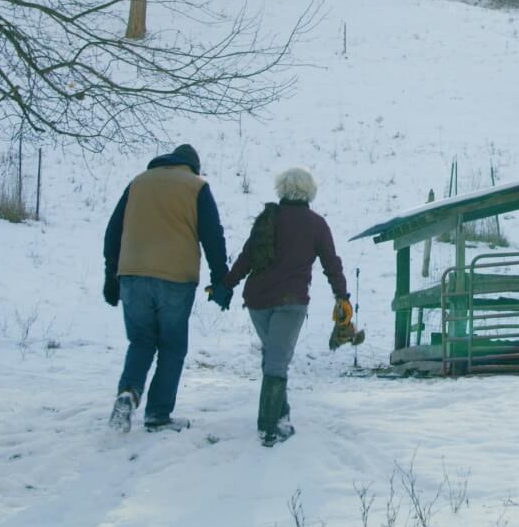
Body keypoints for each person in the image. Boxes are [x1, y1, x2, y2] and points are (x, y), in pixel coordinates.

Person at [102, 142, 231, 433]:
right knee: (172, 346)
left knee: (141, 341)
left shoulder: (138, 183)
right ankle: (158, 415)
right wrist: (220, 279)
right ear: (193, 166)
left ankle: (129, 393)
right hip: (176, 278)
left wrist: (111, 277)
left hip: (132, 275)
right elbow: (213, 235)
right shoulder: (196, 186)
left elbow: (113, 232)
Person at [222, 166, 349, 446]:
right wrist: (342, 296)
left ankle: (281, 416)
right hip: (290, 302)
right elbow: (331, 264)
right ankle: (268, 429)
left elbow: (247, 257)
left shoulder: (268, 218)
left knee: (273, 357)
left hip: (256, 301)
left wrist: (226, 284)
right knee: (277, 362)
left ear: (282, 188)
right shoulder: (316, 224)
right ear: (309, 191)